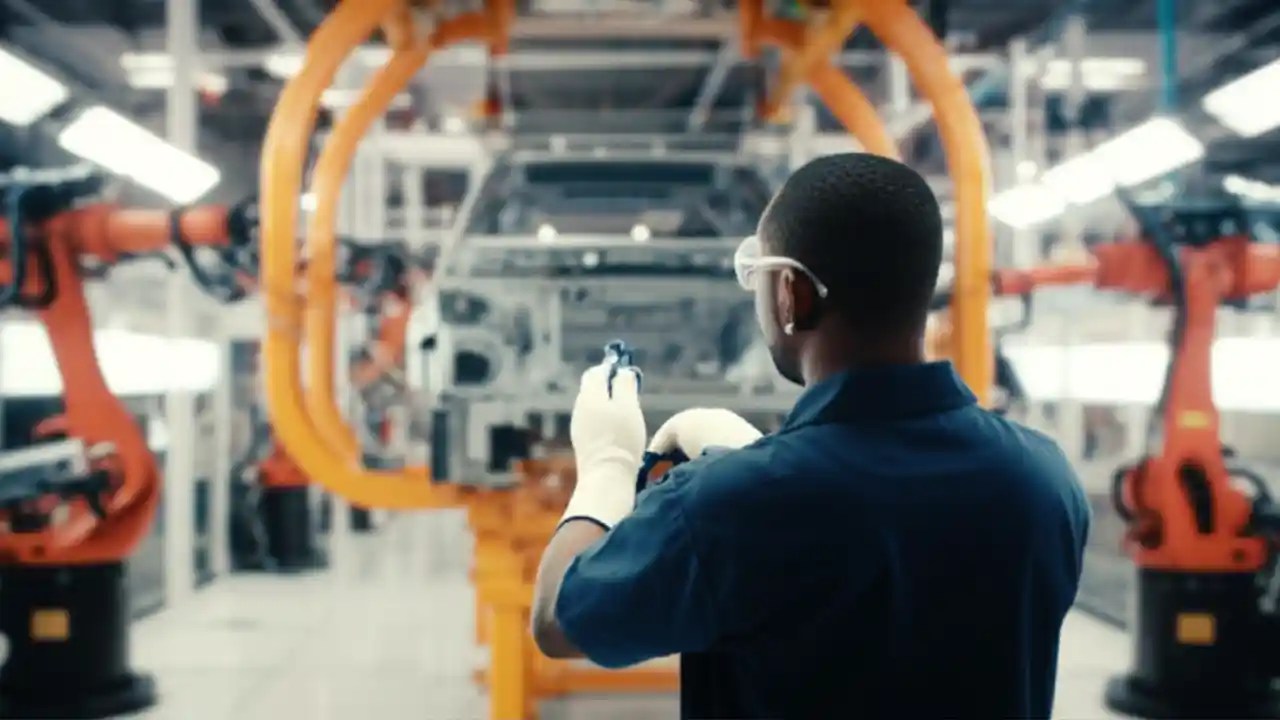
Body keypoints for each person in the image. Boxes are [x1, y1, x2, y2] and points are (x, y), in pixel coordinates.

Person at [531, 153, 1090, 719]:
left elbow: (558, 618)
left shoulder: (725, 507)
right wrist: (749, 459)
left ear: (791, 295)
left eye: (759, 275)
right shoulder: (1043, 480)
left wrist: (606, 464)